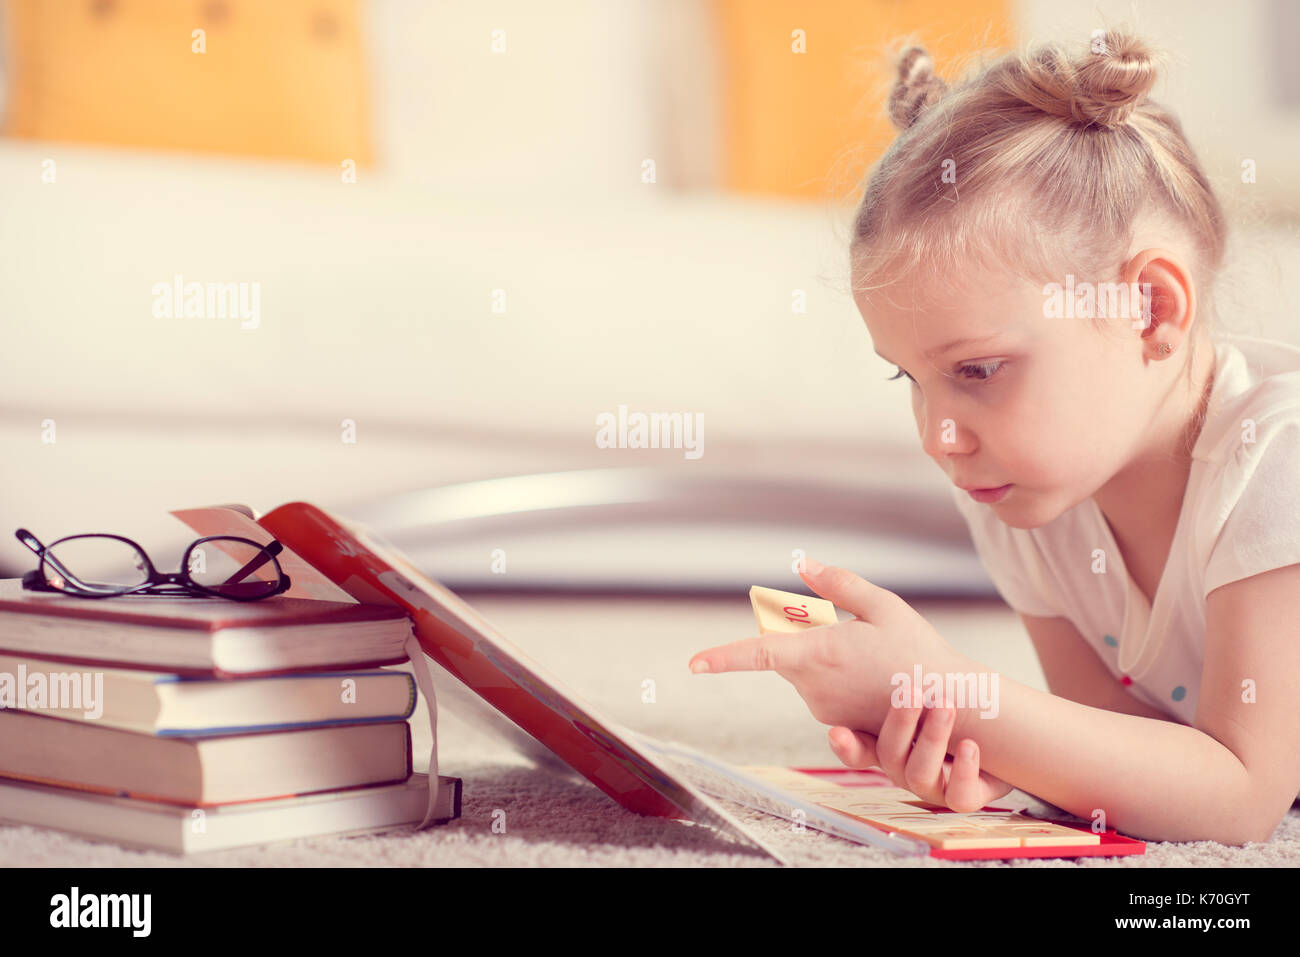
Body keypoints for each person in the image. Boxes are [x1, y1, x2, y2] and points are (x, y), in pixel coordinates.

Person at [690, 30, 1300, 845]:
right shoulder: (1031, 497)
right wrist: (988, 746)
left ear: (1148, 310)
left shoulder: (1277, 457)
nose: (939, 437)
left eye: (977, 370)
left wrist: (956, 687)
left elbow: (1242, 800)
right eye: (908, 378)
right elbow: (1121, 755)